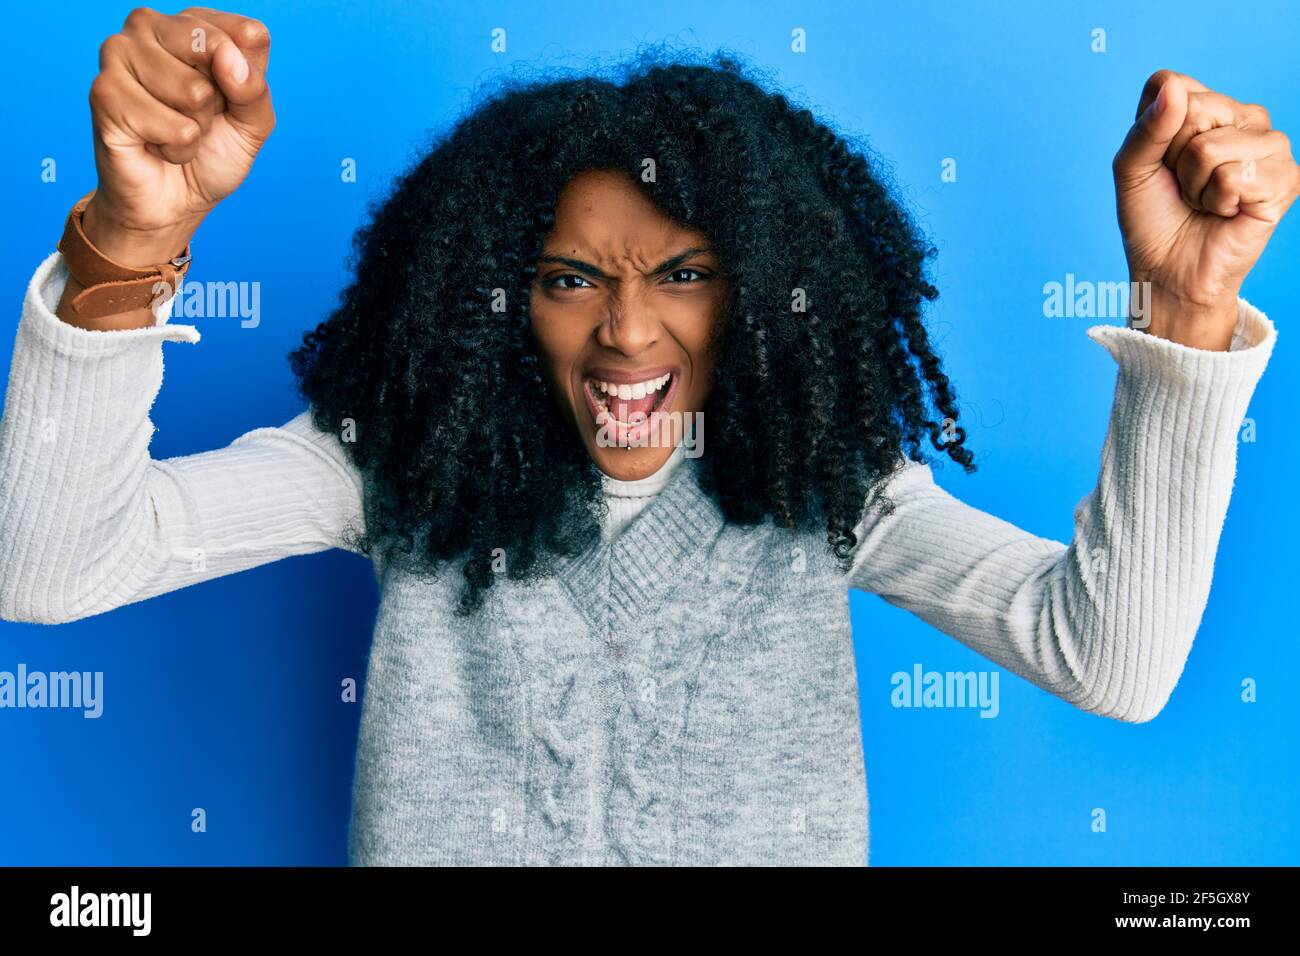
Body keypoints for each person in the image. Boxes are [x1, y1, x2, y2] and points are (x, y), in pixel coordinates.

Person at [0, 7, 1294, 866]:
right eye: (570, 281)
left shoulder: (824, 490)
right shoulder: (398, 464)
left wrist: (1184, 313)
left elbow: (1107, 664)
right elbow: (53, 571)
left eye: (682, 276)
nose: (626, 333)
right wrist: (129, 241)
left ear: (754, 294)